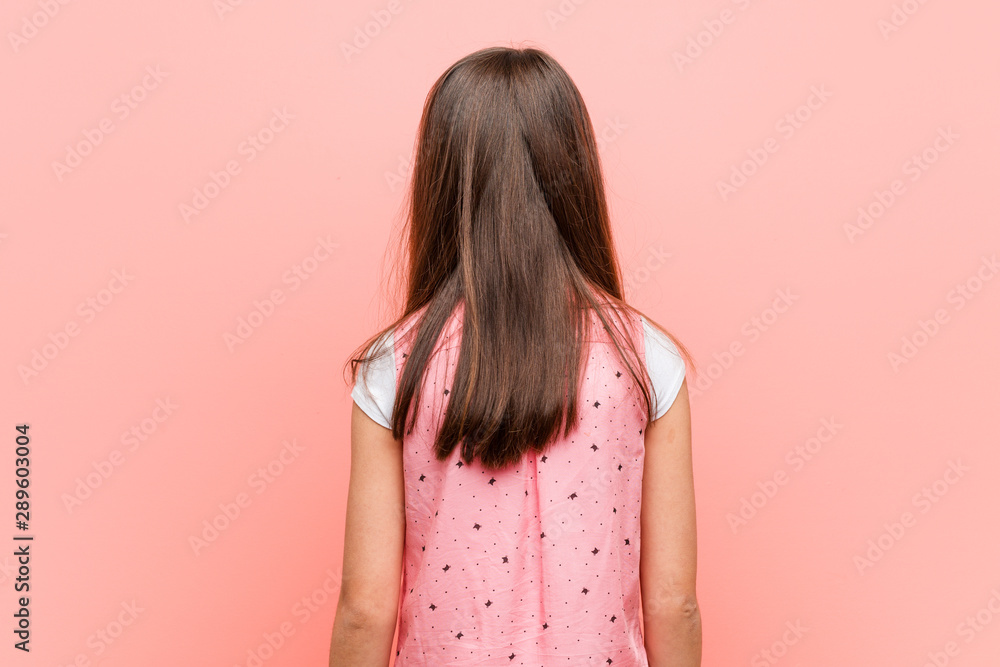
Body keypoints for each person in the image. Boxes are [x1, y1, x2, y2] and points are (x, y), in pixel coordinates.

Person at [330, 44, 701, 667]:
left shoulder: (394, 365)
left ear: (440, 180)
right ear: (577, 175)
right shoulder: (646, 359)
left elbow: (365, 609)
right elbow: (674, 602)